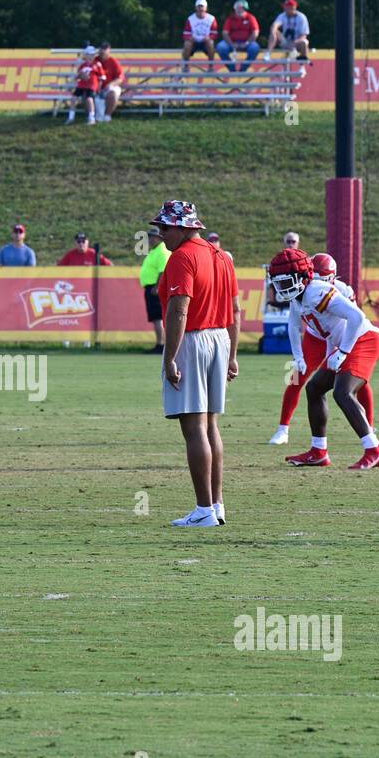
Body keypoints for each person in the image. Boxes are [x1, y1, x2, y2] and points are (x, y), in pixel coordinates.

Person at [155, 200, 239, 528]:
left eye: (165, 228)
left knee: (193, 428)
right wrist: (232, 354)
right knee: (211, 426)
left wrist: (170, 356)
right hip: (219, 338)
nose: (161, 235)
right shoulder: (221, 256)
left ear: (184, 227)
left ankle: (203, 509)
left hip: (192, 340)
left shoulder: (182, 257)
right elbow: (235, 309)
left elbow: (179, 310)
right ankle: (216, 505)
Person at [269, 249, 379, 470]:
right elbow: (293, 326)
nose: (281, 288)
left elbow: (357, 316)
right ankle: (318, 451)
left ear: (303, 277)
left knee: (343, 392)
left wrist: (342, 352)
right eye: (279, 283)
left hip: (364, 340)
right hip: (344, 343)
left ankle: (375, 450)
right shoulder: (299, 296)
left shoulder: (317, 291)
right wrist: (298, 357)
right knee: (314, 388)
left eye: (286, 282)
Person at [138, 225, 170, 354]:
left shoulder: (162, 251)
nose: (150, 239)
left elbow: (163, 271)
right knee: (156, 317)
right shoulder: (155, 251)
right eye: (150, 237)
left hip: (155, 288)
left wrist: (157, 287)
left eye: (153, 237)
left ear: (159, 238)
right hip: (151, 287)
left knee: (158, 317)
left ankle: (161, 345)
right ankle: (160, 344)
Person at [217, 0, 261, 73]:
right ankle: (232, 68)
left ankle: (243, 68)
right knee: (221, 47)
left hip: (247, 42)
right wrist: (231, 44)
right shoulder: (230, 19)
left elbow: (255, 32)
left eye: (241, 8)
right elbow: (225, 33)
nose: (239, 10)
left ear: (245, 8)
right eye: (237, 8)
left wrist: (247, 43)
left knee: (255, 48)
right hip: (232, 42)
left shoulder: (251, 18)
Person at [64, 45, 103, 125]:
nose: (91, 57)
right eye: (89, 55)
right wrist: (79, 77)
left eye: (92, 55)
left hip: (92, 85)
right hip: (82, 85)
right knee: (73, 98)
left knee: (89, 99)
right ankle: (71, 117)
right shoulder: (83, 65)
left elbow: (102, 77)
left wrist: (99, 87)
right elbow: (78, 76)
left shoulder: (97, 64)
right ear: (85, 55)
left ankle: (91, 118)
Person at [181, 0, 219, 66]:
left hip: (205, 43)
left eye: (202, 7)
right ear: (196, 8)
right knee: (187, 44)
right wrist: (190, 38)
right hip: (194, 43)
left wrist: (209, 38)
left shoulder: (211, 19)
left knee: (211, 43)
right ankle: (186, 66)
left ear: (206, 8)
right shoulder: (190, 19)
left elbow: (215, 33)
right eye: (199, 7)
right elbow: (185, 34)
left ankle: (211, 66)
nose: (200, 9)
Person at [95, 43, 125, 122]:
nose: (102, 51)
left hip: (110, 86)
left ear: (109, 51)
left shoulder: (113, 62)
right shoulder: (94, 60)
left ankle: (107, 116)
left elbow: (120, 78)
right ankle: (91, 116)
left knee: (113, 93)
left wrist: (111, 84)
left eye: (105, 49)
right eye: (101, 49)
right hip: (96, 87)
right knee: (86, 94)